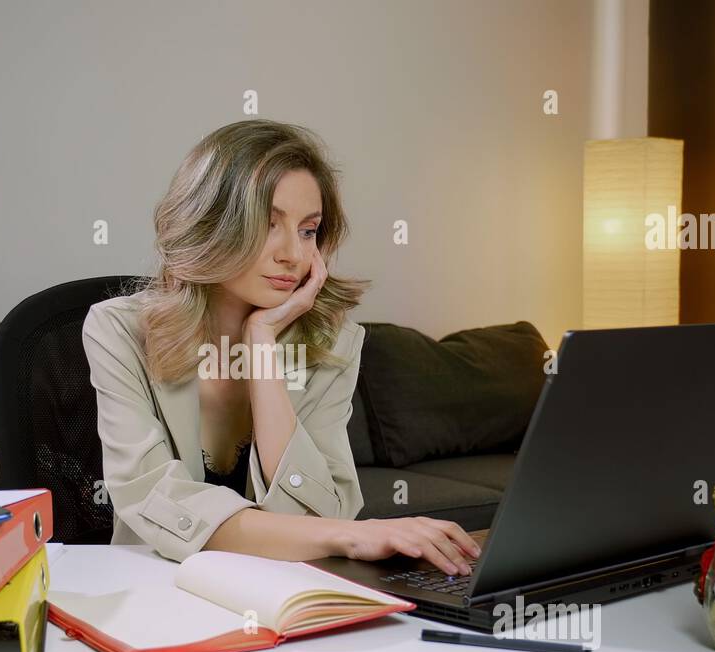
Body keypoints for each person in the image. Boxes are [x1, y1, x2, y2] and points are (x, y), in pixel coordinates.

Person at [83, 119, 478, 576]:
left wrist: (261, 341)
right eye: (269, 225)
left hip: (282, 590)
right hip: (158, 586)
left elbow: (319, 514)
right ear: (210, 223)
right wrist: (349, 535)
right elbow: (159, 504)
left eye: (308, 231)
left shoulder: (334, 345)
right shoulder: (118, 332)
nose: (293, 253)